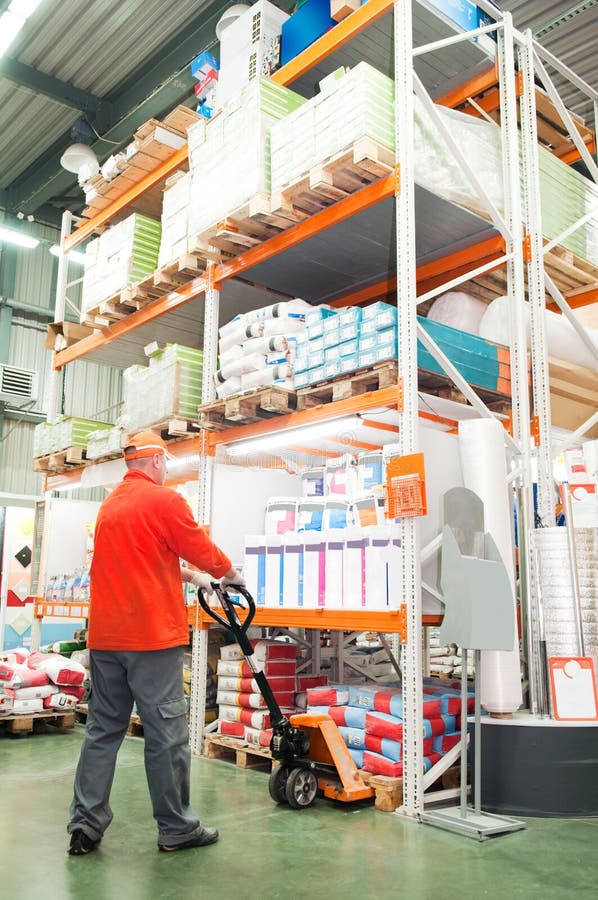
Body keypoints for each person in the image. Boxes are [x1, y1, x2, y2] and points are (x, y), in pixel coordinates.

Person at [67, 431, 244, 855]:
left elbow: (141, 558)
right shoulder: (165, 502)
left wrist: (190, 577)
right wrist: (228, 573)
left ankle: (84, 826)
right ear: (158, 463)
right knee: (165, 733)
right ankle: (177, 828)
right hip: (149, 640)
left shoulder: (111, 506)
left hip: (107, 640)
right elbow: (198, 546)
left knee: (102, 731)